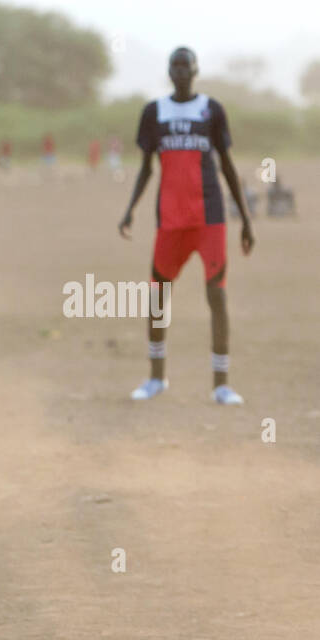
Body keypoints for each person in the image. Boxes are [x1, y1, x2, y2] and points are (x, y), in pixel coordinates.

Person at [119, 47, 254, 405]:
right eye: (174, 66)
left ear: (195, 70)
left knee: (217, 296)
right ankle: (156, 378)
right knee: (158, 296)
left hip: (210, 217)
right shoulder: (154, 112)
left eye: (185, 66)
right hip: (171, 219)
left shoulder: (212, 110)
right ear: (168, 72)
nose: (180, 72)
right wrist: (130, 208)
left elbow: (226, 164)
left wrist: (245, 218)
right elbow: (147, 168)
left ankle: (221, 384)